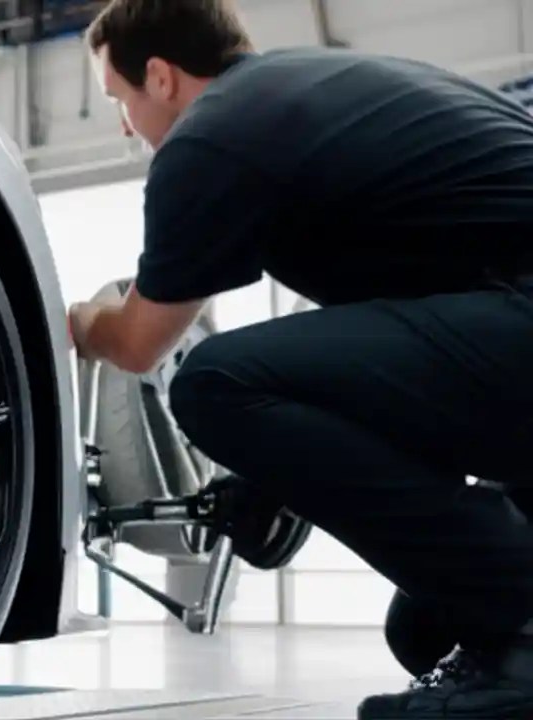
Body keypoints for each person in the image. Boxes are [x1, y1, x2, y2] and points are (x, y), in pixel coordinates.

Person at [66, 0, 533, 716]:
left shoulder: (210, 136)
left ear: (159, 77)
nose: (124, 126)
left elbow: (136, 342)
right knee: (426, 631)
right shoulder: (317, 88)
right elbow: (374, 355)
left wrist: (76, 321)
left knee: (215, 384)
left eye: (118, 100)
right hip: (505, 334)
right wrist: (268, 475)